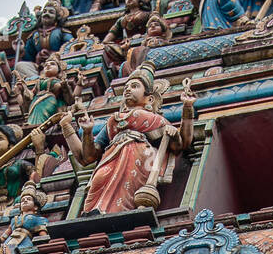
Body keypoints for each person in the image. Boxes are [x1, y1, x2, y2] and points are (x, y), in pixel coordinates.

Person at [60, 64, 196, 215]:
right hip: (111, 157)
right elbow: (87, 157)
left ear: (149, 98)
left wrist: (187, 108)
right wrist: (83, 131)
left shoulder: (153, 119)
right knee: (99, 179)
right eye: (126, 87)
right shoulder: (113, 121)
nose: (128, 89)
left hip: (137, 158)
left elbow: (181, 144)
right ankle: (93, 213)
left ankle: (116, 215)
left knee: (126, 184)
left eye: (135, 86)